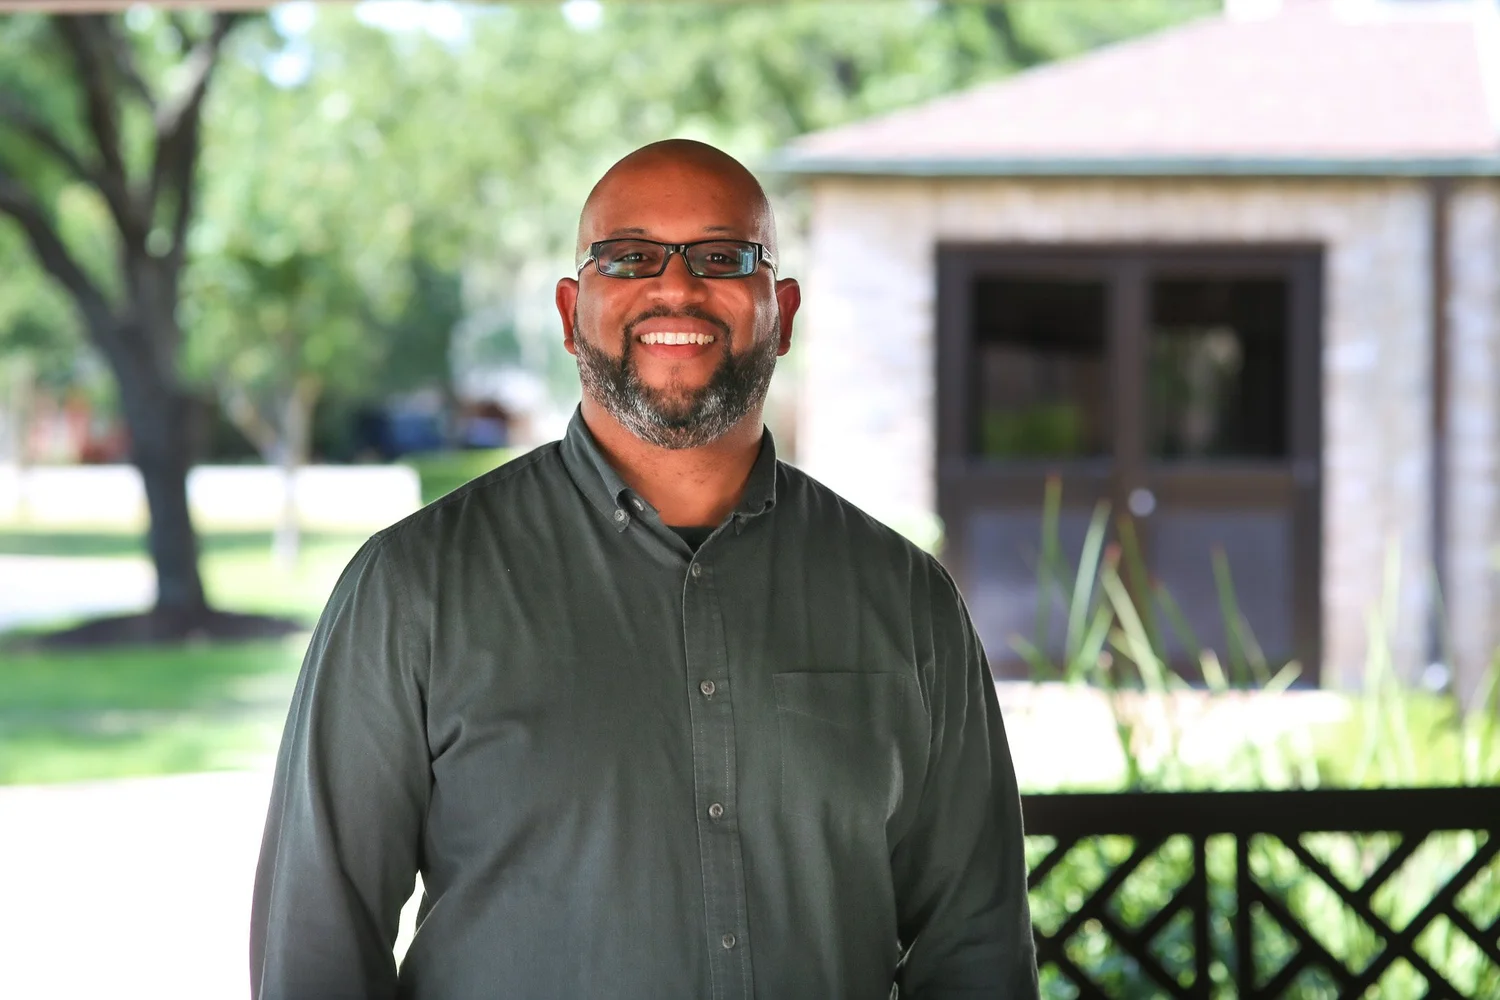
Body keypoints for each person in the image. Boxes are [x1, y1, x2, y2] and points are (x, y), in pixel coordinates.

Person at [250, 139, 1038, 999]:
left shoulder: (906, 600)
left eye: (721, 256)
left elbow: (977, 946)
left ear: (781, 309)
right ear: (568, 311)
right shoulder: (411, 589)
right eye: (629, 256)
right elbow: (316, 952)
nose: (676, 286)